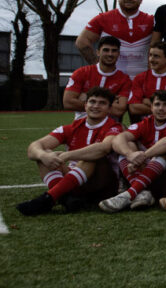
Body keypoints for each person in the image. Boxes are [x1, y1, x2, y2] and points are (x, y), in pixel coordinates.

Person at [16, 87, 123, 216]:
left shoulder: (115, 127)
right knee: (44, 153)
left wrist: (67, 155)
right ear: (85, 105)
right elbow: (34, 147)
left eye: (102, 103)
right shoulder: (72, 127)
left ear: (110, 109)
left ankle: (49, 198)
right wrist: (43, 155)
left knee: (93, 156)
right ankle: (66, 198)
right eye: (92, 102)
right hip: (75, 182)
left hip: (102, 185)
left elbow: (103, 148)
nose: (96, 106)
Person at [99, 90, 166, 213]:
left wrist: (143, 156)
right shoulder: (146, 123)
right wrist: (130, 154)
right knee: (126, 146)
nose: (161, 108)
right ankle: (142, 192)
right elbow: (119, 139)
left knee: (165, 151)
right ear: (151, 107)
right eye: (157, 104)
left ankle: (128, 194)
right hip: (145, 174)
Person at [75, 0, 153, 78]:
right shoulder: (103, 18)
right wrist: (98, 66)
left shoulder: (151, 20)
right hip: (111, 79)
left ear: (141, 0)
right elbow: (81, 42)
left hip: (143, 80)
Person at [64, 35, 131, 120]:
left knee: (124, 131)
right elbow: (68, 103)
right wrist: (109, 101)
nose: (110, 54)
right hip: (82, 123)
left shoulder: (124, 79)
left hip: (110, 126)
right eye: (106, 50)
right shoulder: (81, 73)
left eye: (114, 51)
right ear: (98, 52)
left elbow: (119, 111)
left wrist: (87, 99)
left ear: (118, 54)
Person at [127, 42, 166, 119]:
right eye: (150, 55)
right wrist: (165, 107)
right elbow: (133, 108)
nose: (151, 59)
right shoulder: (140, 77)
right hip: (144, 124)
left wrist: (146, 101)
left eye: (156, 56)